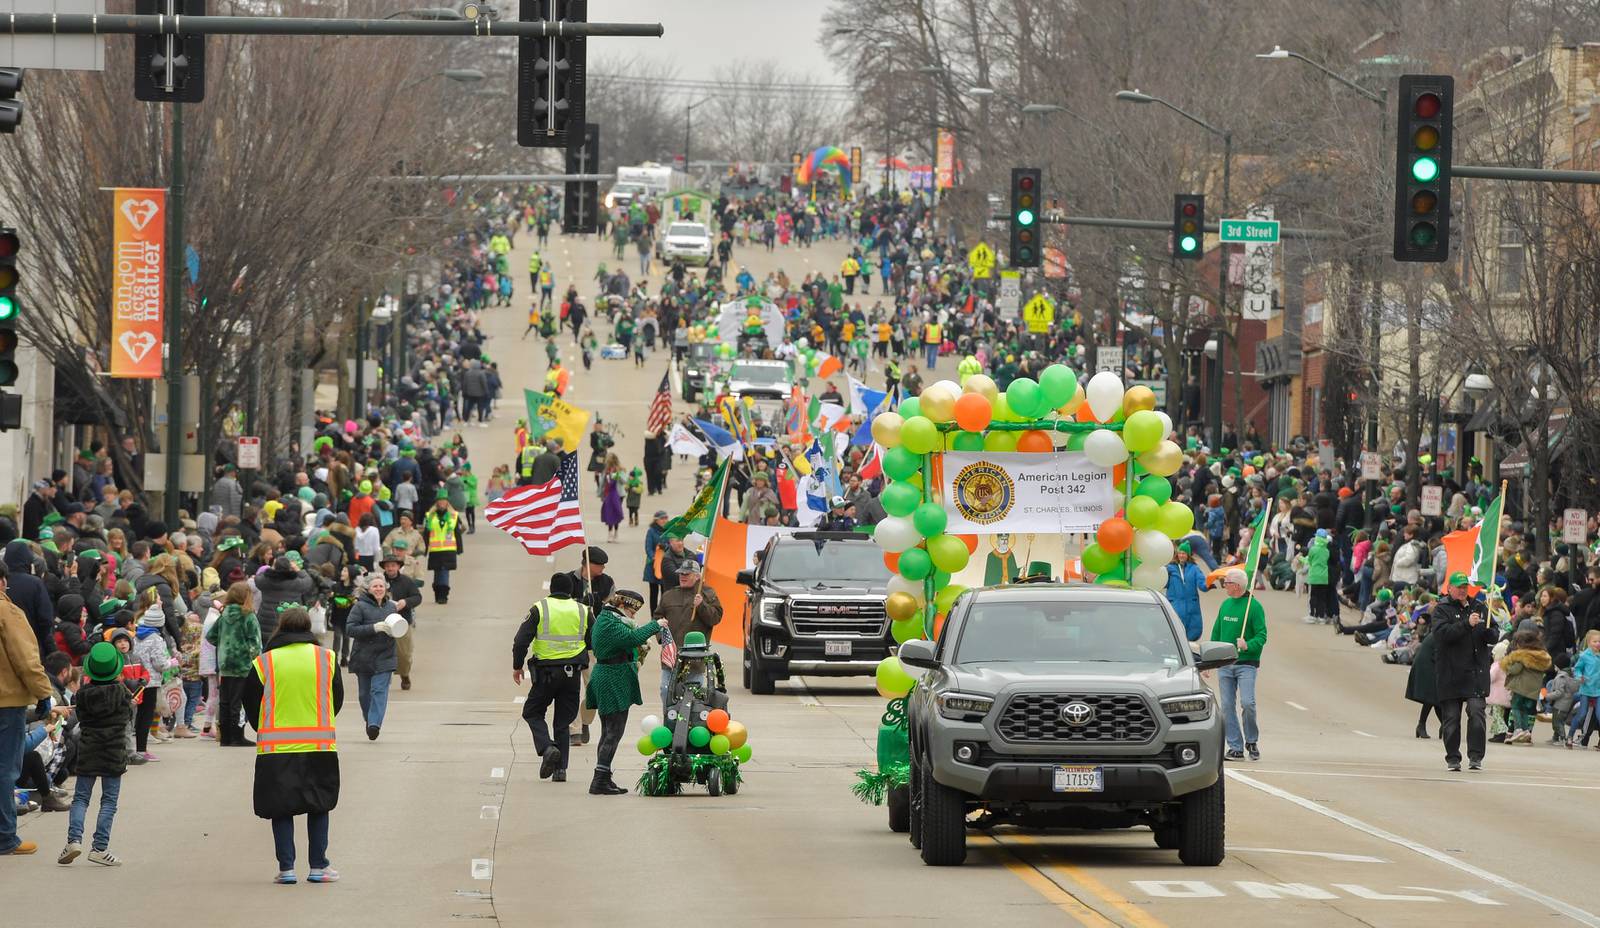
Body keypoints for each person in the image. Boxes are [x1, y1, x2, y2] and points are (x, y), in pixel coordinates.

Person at [242, 607, 344, 884]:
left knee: (281, 808)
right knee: (319, 805)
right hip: (319, 746)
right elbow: (337, 698)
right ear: (308, 627)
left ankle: (287, 869)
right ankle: (318, 866)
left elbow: (249, 700)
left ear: (281, 627)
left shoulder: (265, 662)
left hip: (275, 750)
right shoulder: (327, 658)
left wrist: (261, 726)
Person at [585, 589, 670, 795]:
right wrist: (655, 625)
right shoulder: (609, 622)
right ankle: (599, 780)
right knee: (612, 732)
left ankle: (604, 777)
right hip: (610, 679)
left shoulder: (610, 619)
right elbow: (632, 637)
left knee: (610, 732)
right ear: (622, 606)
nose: (633, 616)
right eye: (632, 611)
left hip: (613, 676)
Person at [510, 572, 591, 783]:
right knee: (563, 723)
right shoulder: (583, 610)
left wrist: (517, 666)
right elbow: (592, 642)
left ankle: (547, 748)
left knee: (532, 712)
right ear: (571, 591)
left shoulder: (540, 608)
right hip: (572, 673)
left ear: (551, 589)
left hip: (546, 673)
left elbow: (520, 641)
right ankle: (560, 770)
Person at [57, 641, 132, 866]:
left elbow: (79, 718)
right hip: (114, 752)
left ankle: (74, 840)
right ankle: (100, 847)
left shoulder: (82, 695)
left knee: (81, 797)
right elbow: (128, 718)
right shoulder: (122, 693)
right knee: (108, 801)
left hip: (89, 749)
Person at [2, 561, 54, 857]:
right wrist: (43, 692)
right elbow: (26, 659)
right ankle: (6, 837)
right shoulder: (8, 612)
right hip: (6, 702)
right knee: (5, 770)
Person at [1431, 571, 1496, 771]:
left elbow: (1494, 634)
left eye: (1465, 587)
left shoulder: (1479, 606)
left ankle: (1476, 756)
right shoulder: (1442, 610)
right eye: (1458, 587)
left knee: (1477, 713)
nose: (1462, 590)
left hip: (1475, 673)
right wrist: (1466, 624)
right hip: (1451, 673)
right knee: (1451, 718)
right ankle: (1453, 757)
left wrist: (1487, 632)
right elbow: (1442, 635)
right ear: (1449, 588)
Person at [1209, 568, 1266, 762]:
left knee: (1248, 703)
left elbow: (1262, 635)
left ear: (1238, 586)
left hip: (1246, 664)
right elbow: (1216, 633)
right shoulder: (1225, 605)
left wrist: (1247, 644)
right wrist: (1209, 660)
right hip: (1225, 664)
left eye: (1227, 583)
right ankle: (1235, 747)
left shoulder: (1254, 607)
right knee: (1226, 706)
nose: (1224, 586)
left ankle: (1252, 740)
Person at [653, 560, 722, 711]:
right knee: (666, 690)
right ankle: (669, 720)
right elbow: (657, 618)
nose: (682, 576)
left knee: (693, 695)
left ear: (697, 576)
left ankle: (689, 727)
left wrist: (702, 606)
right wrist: (662, 637)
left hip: (695, 659)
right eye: (681, 574)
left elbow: (715, 618)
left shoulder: (707, 594)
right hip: (671, 657)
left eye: (686, 574)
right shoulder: (669, 595)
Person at [206, 582, 263, 747]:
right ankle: (237, 737)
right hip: (242, 664)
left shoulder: (224, 615)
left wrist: (224, 646)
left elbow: (211, 636)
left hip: (225, 664)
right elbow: (256, 642)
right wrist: (251, 656)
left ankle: (225, 737)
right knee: (238, 702)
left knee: (225, 700)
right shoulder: (248, 616)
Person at [344, 574, 398, 741]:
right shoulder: (359, 607)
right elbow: (350, 629)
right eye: (375, 586)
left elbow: (401, 626)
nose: (378, 589)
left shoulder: (391, 607)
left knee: (379, 690)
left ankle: (375, 724)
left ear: (386, 588)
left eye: (381, 586)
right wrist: (373, 628)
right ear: (368, 589)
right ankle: (370, 720)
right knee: (364, 694)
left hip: (385, 656)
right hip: (364, 656)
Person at [379, 553, 423, 691]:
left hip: (402, 623)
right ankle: (383, 678)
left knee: (404, 653)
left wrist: (406, 602)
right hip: (382, 622)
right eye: (387, 566)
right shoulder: (379, 581)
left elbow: (417, 597)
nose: (390, 568)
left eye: (393, 565)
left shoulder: (406, 581)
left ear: (398, 567)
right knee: (380, 653)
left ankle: (404, 675)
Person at [424, 491, 463, 604]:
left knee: (444, 572)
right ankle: (437, 592)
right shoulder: (430, 516)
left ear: (447, 503)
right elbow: (426, 534)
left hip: (448, 549)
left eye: (444, 501)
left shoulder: (453, 515)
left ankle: (443, 595)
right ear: (436, 503)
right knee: (437, 573)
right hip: (435, 550)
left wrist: (459, 548)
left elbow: (457, 532)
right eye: (439, 501)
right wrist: (425, 549)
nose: (442, 503)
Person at [1164, 543, 1207, 641]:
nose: (1181, 555)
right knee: (1175, 632)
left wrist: (1208, 584)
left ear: (1188, 555)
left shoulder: (1194, 568)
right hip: (1175, 604)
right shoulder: (1170, 568)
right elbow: (1163, 584)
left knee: (1192, 632)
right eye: (1180, 553)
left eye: (1184, 553)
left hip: (1191, 606)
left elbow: (1202, 583)